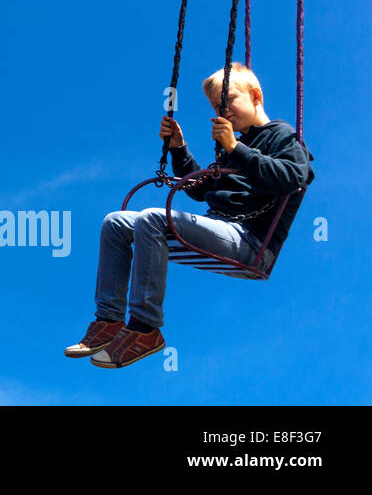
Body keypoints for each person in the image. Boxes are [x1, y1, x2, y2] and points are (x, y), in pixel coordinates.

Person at [65, 62, 315, 368]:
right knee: (115, 222)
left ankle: (145, 329)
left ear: (256, 95)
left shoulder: (283, 135)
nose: (223, 111)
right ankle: (110, 321)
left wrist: (235, 148)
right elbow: (200, 188)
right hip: (220, 229)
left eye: (229, 101)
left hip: (250, 243)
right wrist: (179, 148)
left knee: (154, 218)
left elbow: (294, 177)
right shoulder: (234, 146)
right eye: (215, 106)